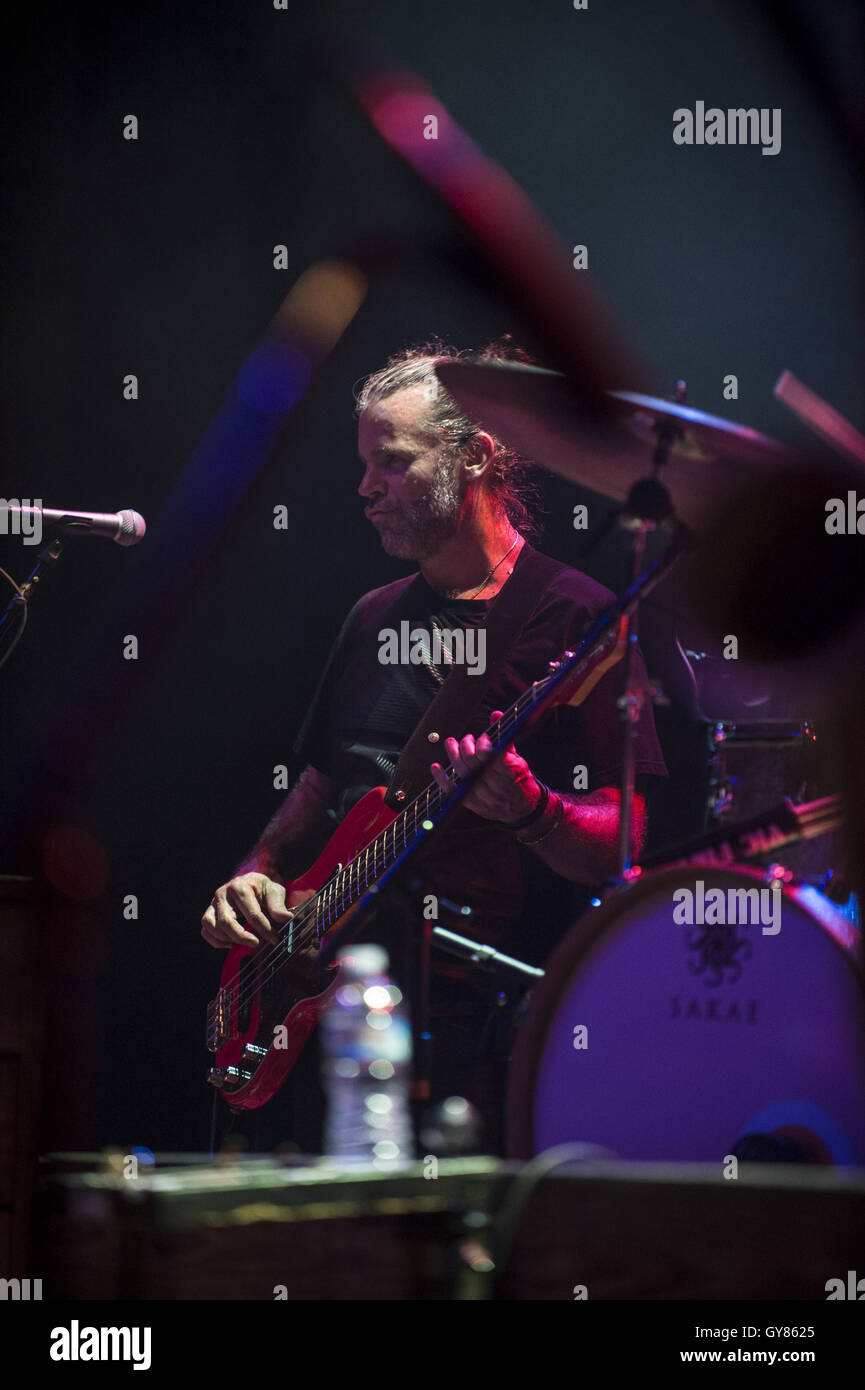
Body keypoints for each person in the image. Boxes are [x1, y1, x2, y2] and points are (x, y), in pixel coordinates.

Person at [201, 339, 667, 1153]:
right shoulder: (372, 614)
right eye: (364, 465)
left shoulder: (575, 617)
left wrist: (534, 810)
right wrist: (256, 873)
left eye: (390, 463)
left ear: (476, 455)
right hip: (322, 1011)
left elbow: (624, 840)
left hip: (470, 1022)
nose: (364, 488)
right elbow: (320, 785)